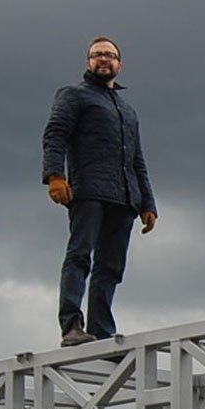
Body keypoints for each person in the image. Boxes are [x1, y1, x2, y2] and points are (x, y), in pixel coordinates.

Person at [41, 36, 157, 346]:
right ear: (88, 62)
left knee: (110, 268)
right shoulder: (73, 95)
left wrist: (148, 202)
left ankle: (102, 332)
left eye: (109, 55)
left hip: (124, 198)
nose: (103, 59)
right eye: (96, 55)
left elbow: (137, 159)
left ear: (120, 64)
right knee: (80, 256)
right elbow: (55, 134)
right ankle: (71, 326)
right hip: (89, 190)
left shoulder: (127, 110)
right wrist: (55, 175)